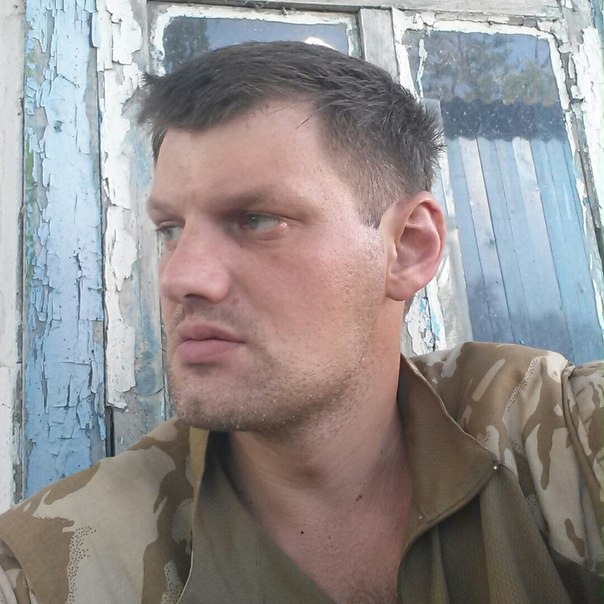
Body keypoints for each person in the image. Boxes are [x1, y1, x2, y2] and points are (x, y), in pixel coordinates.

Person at [0, 41, 602, 604]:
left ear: (408, 248)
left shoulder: (563, 440)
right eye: (171, 229)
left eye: (258, 220)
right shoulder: (54, 563)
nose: (180, 278)